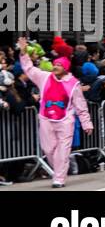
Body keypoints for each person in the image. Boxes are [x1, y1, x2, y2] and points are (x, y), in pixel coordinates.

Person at [16, 42, 92, 188]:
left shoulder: (73, 84)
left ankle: (59, 177)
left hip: (65, 120)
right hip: (46, 118)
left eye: (59, 65)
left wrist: (86, 123)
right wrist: (24, 53)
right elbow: (29, 68)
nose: (55, 66)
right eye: (54, 64)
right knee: (48, 149)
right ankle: (60, 169)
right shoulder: (44, 77)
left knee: (63, 150)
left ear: (66, 68)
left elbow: (81, 106)